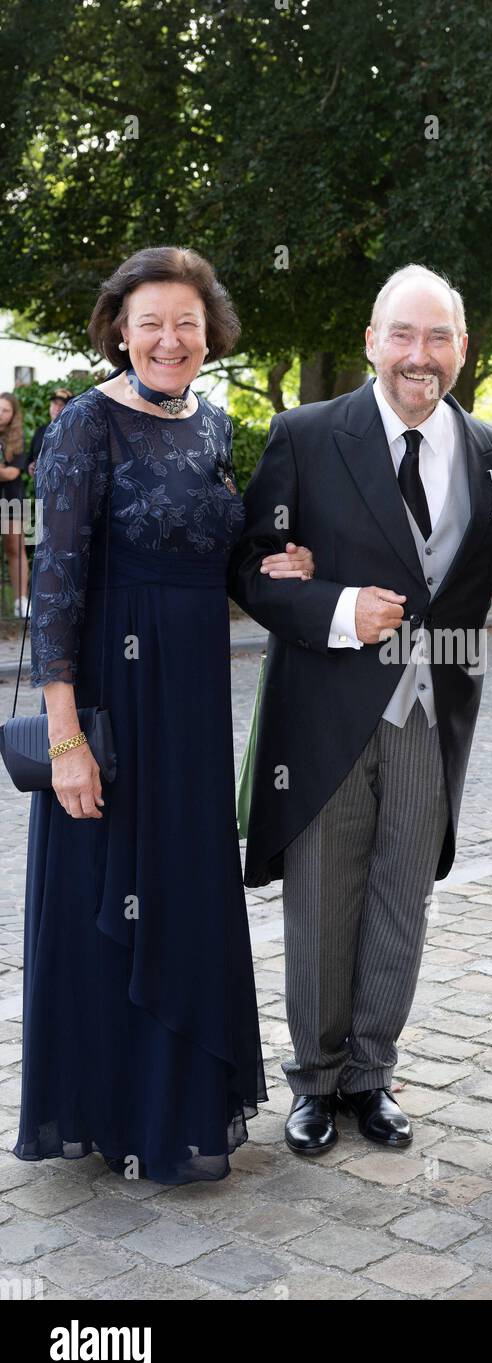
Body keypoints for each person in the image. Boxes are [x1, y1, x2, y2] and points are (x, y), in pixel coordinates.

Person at [14, 246, 310, 1185]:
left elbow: (213, 559)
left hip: (189, 697)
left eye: (186, 322)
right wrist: (66, 741)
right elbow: (52, 595)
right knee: (113, 886)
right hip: (110, 693)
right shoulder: (82, 429)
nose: (169, 339)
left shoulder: (214, 425)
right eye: (150, 322)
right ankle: (112, 1109)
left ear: (209, 331)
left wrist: (273, 566)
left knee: (181, 881)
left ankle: (174, 1103)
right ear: (120, 331)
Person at [228, 264, 492, 1155]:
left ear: (462, 351)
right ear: (371, 341)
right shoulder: (307, 437)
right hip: (328, 716)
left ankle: (371, 1075)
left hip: (434, 717)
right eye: (403, 334)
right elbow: (251, 570)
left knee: (404, 899)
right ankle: (314, 1085)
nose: (419, 356)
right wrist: (334, 608)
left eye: (439, 338)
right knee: (322, 901)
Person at [0, 391, 30, 617]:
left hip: (13, 498)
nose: (1, 414)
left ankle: (22, 601)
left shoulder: (18, 437)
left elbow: (11, 474)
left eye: (6, 410)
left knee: (15, 548)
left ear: (13, 414)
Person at [27, 387, 74, 477]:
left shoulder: (74, 433)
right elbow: (29, 458)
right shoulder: (40, 431)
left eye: (62, 404)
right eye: (55, 403)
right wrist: (30, 466)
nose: (57, 407)